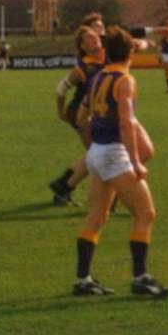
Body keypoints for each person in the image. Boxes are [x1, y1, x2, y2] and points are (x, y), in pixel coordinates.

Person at [71, 26, 168, 298]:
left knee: (97, 216)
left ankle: (83, 279)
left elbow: (81, 117)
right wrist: (136, 162)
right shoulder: (125, 80)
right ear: (130, 52)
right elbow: (126, 123)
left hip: (96, 153)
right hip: (114, 154)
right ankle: (140, 278)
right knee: (145, 214)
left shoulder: (99, 76)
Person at [49, 23, 111, 205]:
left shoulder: (107, 59)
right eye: (89, 38)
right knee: (100, 154)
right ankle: (67, 188)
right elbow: (61, 89)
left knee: (97, 154)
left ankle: (62, 186)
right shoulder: (82, 69)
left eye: (95, 36)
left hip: (98, 114)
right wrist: (60, 112)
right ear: (82, 47)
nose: (95, 39)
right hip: (80, 114)